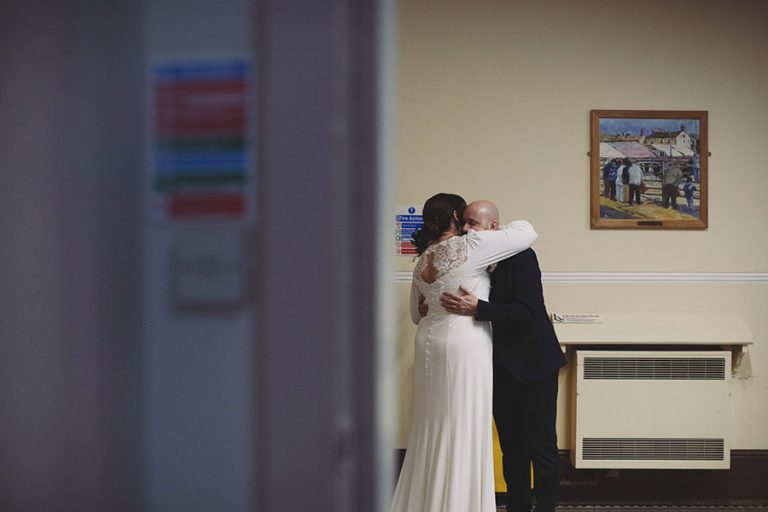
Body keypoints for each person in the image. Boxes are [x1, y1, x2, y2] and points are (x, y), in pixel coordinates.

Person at [391, 193, 538, 512]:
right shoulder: (470, 246)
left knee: (431, 424)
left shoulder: (423, 258)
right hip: (464, 342)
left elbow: (417, 316)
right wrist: (491, 226)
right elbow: (526, 231)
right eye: (466, 219)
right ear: (457, 218)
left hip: (428, 341)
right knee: (463, 425)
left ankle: (426, 501)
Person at [438, 200, 566, 512]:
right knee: (512, 449)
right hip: (499, 367)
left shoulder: (522, 256)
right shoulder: (475, 258)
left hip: (535, 365)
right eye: (464, 223)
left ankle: (548, 508)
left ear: (494, 227)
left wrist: (478, 309)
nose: (467, 230)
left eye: (474, 223)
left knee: (543, 447)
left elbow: (527, 312)